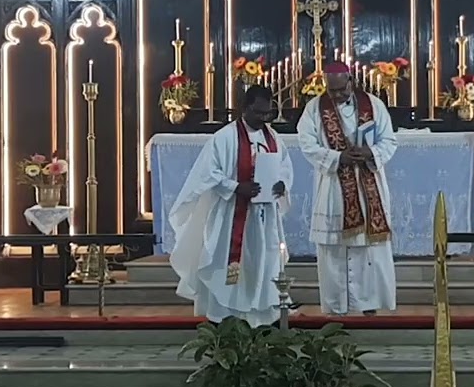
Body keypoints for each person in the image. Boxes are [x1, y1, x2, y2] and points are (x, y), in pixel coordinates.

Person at [168, 84, 292, 327]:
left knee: (263, 262)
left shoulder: (273, 138)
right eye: (258, 112)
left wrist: (282, 185)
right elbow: (208, 173)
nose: (263, 119)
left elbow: (285, 167)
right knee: (229, 261)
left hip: (264, 215)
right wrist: (235, 186)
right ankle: (225, 317)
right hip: (232, 215)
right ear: (244, 108)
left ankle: (262, 316)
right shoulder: (224, 138)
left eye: (267, 113)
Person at [296, 62, 398, 315]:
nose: (338, 95)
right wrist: (337, 157)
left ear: (351, 81)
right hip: (333, 188)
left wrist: (370, 152)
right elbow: (307, 144)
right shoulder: (313, 109)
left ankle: (369, 304)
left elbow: (389, 140)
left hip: (368, 185)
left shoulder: (373, 105)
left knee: (369, 249)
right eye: (332, 91)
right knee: (333, 249)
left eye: (342, 90)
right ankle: (336, 306)